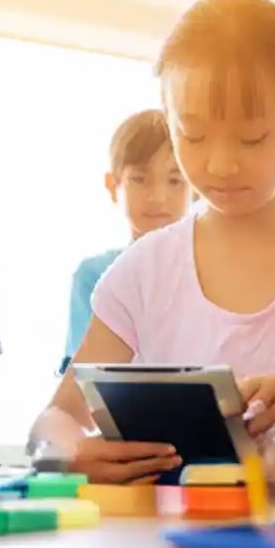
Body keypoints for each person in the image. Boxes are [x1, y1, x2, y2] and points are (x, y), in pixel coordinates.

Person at [31, 0, 275, 483]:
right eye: (193, 136)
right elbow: (58, 416)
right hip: (162, 526)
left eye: (251, 138)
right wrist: (66, 454)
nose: (220, 165)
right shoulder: (143, 270)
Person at [61, 109, 190, 374]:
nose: (158, 196)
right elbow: (84, 378)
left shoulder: (208, 273)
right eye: (139, 180)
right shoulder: (93, 274)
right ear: (113, 185)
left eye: (175, 181)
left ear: (194, 188)